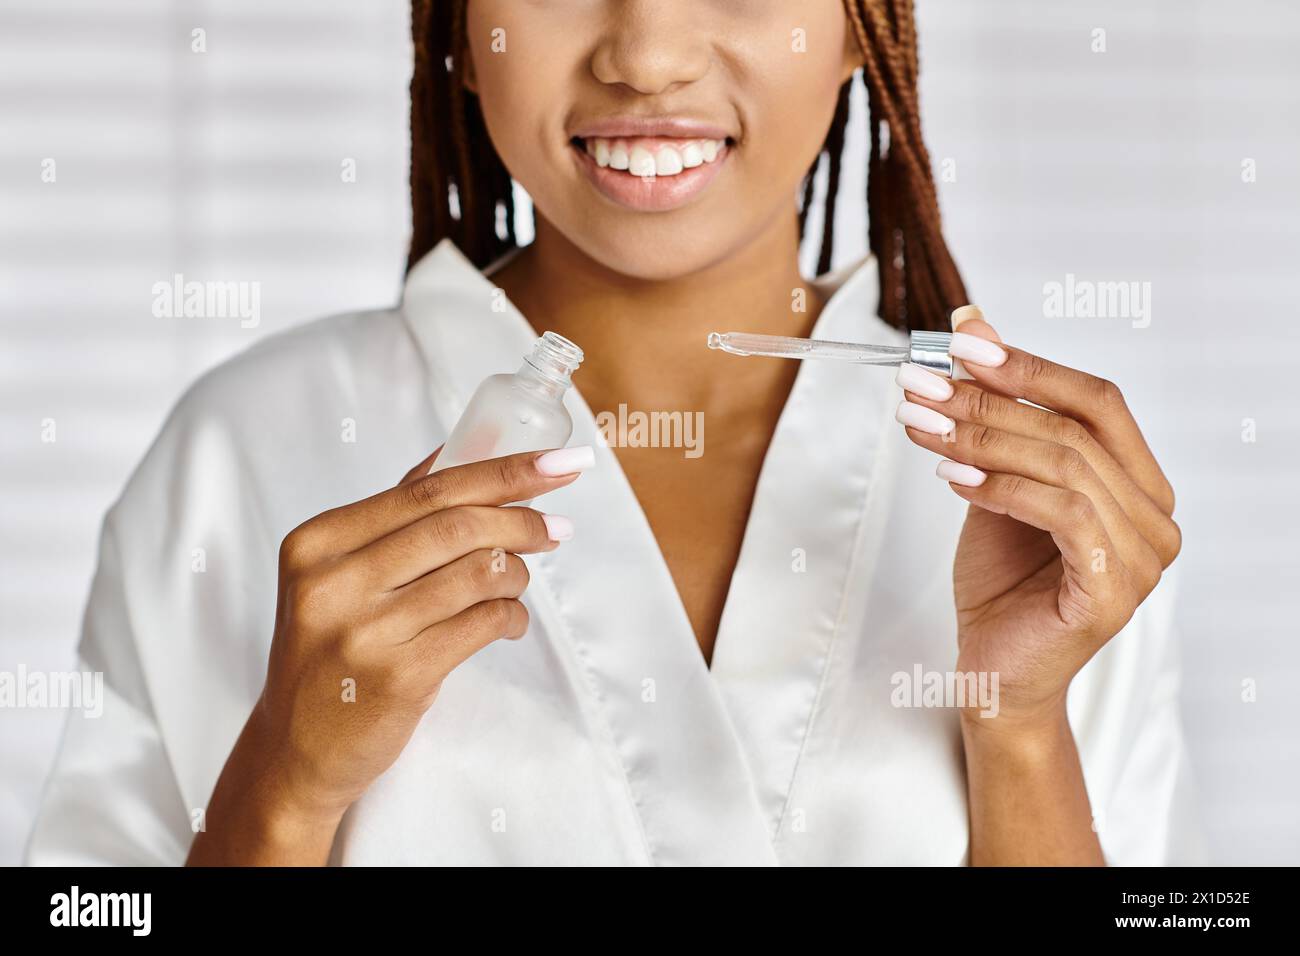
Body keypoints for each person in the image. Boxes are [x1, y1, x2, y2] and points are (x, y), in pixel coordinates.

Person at [27, 0, 1199, 866]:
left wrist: (1020, 728)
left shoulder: (1025, 504)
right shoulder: (238, 451)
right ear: (455, 32)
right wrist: (280, 781)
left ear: (859, 28)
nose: (645, 53)